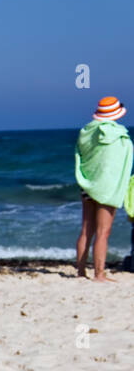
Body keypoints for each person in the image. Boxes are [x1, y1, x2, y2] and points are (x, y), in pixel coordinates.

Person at [74, 96, 131, 282]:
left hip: (88, 185)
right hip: (107, 187)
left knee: (85, 231)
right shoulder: (118, 135)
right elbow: (116, 164)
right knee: (103, 232)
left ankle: (81, 272)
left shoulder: (86, 132)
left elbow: (84, 158)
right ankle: (99, 274)